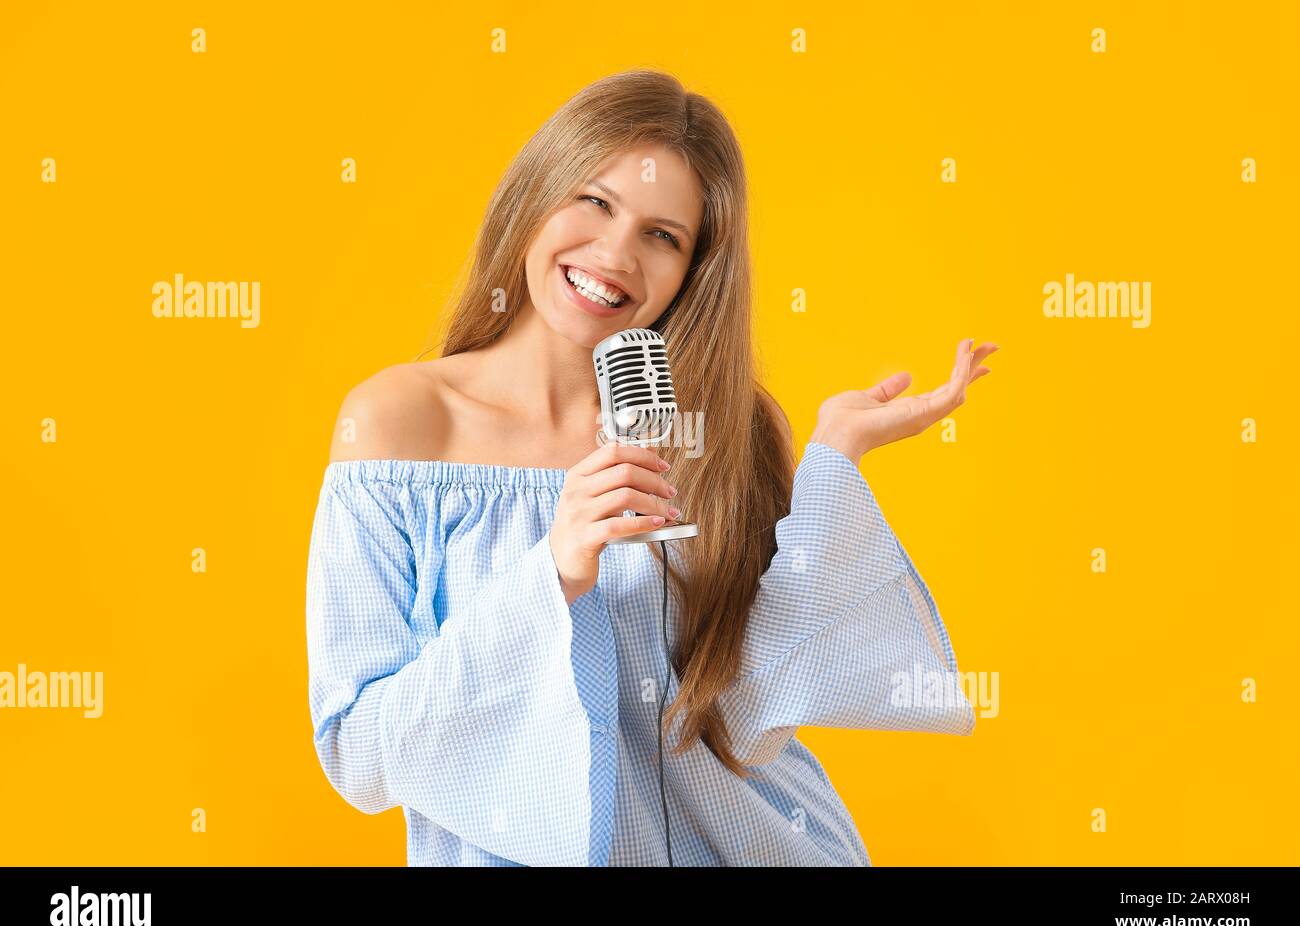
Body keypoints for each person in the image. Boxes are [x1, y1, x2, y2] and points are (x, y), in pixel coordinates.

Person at [306, 69, 997, 866]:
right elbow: (360, 759)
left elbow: (747, 708)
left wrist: (833, 465)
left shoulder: (724, 426)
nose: (614, 254)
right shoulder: (400, 425)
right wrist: (552, 575)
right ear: (534, 196)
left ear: (692, 272)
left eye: (662, 237)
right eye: (593, 203)